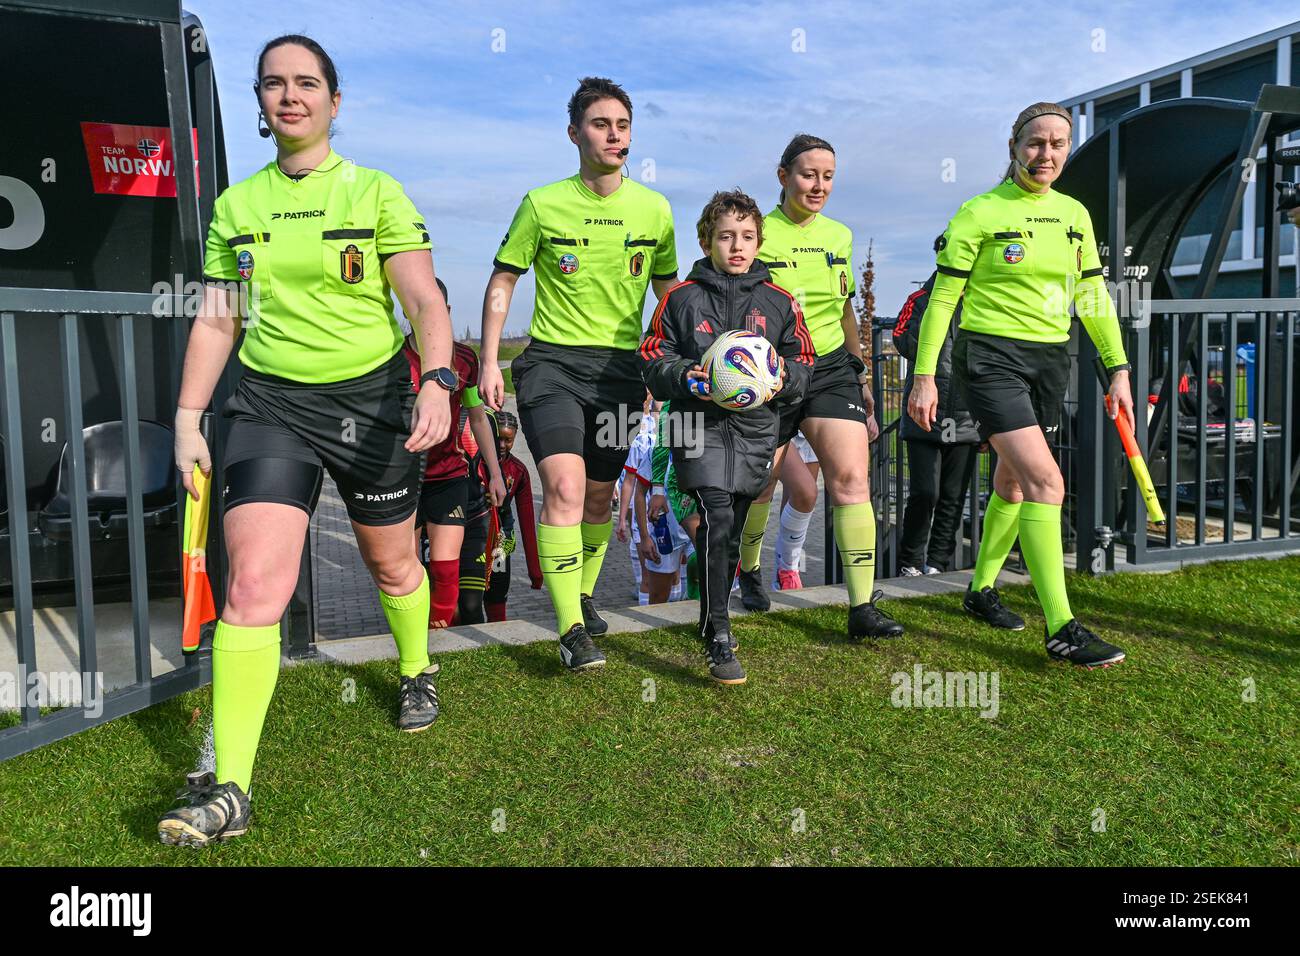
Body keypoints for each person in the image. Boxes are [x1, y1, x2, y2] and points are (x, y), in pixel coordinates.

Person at [160, 35, 454, 846]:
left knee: (392, 562)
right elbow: (220, 317)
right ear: (259, 102)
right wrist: (188, 418)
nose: (290, 96)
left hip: (371, 402)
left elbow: (427, 301)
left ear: (334, 98)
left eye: (307, 83)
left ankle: (416, 668)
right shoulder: (236, 206)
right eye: (274, 85)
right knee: (255, 583)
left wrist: (437, 379)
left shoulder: (375, 191)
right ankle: (231, 790)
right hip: (269, 406)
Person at [908, 101, 1133, 668]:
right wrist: (925, 376)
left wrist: (1119, 368)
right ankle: (1062, 626)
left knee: (1011, 482)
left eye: (1058, 143)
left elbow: (1092, 298)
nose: (1046, 154)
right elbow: (943, 300)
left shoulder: (1075, 215)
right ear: (1014, 146)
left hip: (1050, 360)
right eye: (1035, 143)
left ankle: (980, 590)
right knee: (1046, 481)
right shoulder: (979, 213)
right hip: (989, 360)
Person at [479, 77, 677, 671]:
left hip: (622, 372)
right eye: (600, 124)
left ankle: (582, 595)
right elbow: (504, 280)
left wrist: (672, 366)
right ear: (574, 133)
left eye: (622, 124)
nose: (614, 134)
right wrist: (489, 359)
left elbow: (669, 293)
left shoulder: (655, 209)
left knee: (596, 497)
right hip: (553, 366)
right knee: (563, 488)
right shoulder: (542, 203)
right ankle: (568, 629)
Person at [641, 189, 814, 683]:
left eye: (747, 236)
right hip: (695, 424)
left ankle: (706, 616)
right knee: (715, 517)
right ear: (706, 240)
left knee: (731, 530)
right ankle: (720, 635)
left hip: (757, 429)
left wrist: (784, 377)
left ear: (759, 241)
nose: (737, 246)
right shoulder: (681, 298)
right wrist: (683, 377)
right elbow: (653, 358)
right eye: (725, 236)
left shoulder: (779, 301)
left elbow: (806, 364)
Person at [746, 134, 903, 639]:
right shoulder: (757, 233)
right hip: (772, 369)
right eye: (808, 174)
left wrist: (860, 372)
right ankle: (748, 569)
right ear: (783, 176)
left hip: (832, 366)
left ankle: (862, 606)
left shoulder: (840, 235)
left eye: (828, 176)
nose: (818, 186)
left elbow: (844, 310)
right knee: (760, 483)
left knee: (851, 480)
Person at [404, 279, 505, 628]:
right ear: (407, 309)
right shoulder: (390, 358)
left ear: (445, 311)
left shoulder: (464, 359)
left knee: (446, 568)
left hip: (448, 475)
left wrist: (494, 472)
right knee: (406, 567)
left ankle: (440, 638)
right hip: (401, 476)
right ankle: (412, 635)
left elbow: (477, 416)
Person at [892, 273, 998, 593]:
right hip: (925, 412)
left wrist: (987, 422)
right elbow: (902, 340)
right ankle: (909, 562)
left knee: (953, 496)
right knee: (925, 493)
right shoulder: (920, 299)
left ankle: (938, 562)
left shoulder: (983, 301)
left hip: (967, 415)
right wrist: (935, 319)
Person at [484, 411, 542, 621]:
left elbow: (527, 522)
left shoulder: (518, 471)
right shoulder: (473, 462)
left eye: (507, 440)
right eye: (497, 437)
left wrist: (535, 571)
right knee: (468, 599)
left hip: (501, 544)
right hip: (471, 539)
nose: (501, 444)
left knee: (497, 596)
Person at [772, 431, 819, 590]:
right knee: (759, 497)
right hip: (776, 416)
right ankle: (745, 570)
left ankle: (786, 572)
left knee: (801, 499)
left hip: (811, 418)